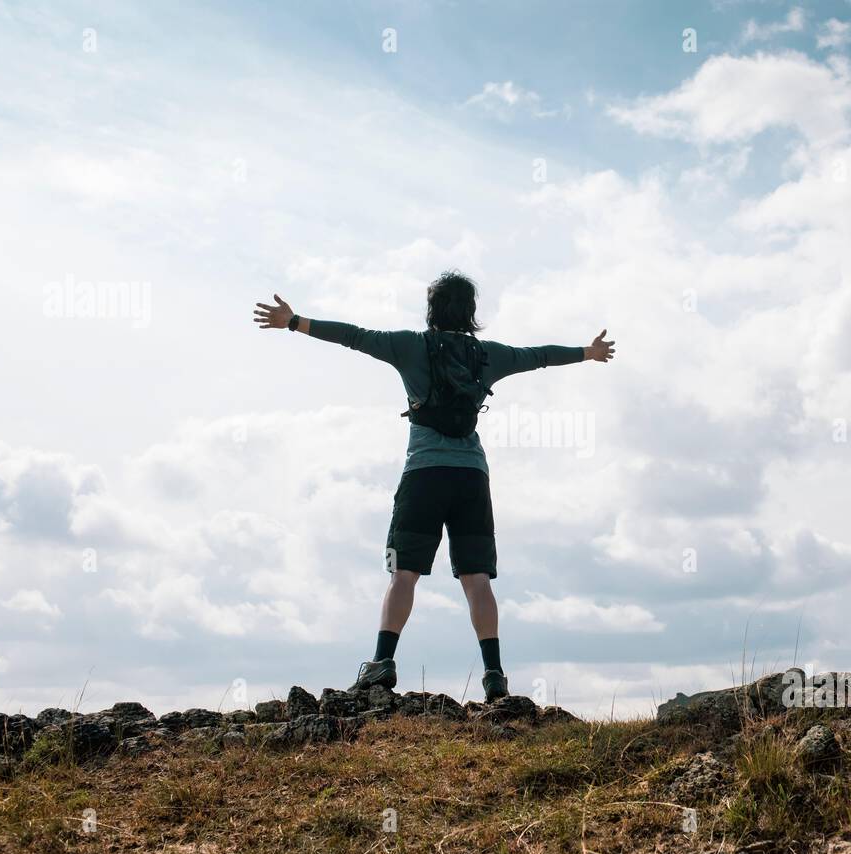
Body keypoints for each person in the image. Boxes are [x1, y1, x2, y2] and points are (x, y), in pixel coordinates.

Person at [252, 271, 615, 702]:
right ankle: (494, 674)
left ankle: (382, 662)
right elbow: (538, 356)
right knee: (477, 578)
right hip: (471, 478)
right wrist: (588, 353)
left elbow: (353, 336)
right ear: (471, 311)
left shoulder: (409, 346)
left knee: (403, 573)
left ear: (431, 308)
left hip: (424, 475)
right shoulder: (489, 355)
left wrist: (295, 322)